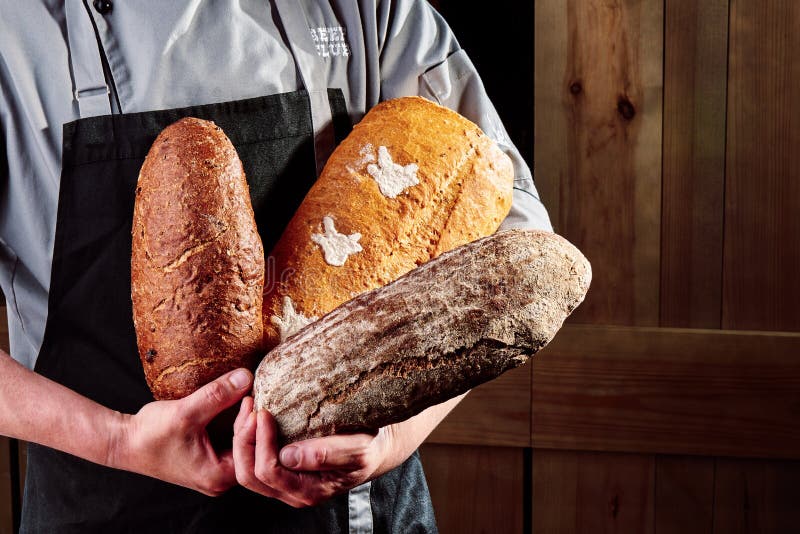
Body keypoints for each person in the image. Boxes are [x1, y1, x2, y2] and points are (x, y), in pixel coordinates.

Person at [0, 1, 551, 531]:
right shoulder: (14, 34)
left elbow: (518, 268)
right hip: (101, 511)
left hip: (353, 515)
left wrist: (394, 438)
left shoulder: (368, 9)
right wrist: (116, 438)